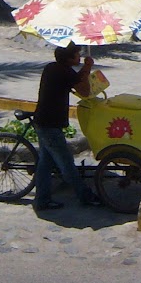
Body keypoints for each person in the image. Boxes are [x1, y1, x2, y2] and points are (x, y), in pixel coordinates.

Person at [32, 42, 99, 212]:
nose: (79, 56)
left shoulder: (53, 68)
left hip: (43, 121)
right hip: (50, 125)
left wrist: (84, 68)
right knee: (66, 164)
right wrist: (87, 67)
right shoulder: (64, 72)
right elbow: (84, 91)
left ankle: (42, 200)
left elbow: (76, 80)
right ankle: (85, 196)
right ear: (69, 58)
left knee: (45, 163)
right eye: (77, 54)